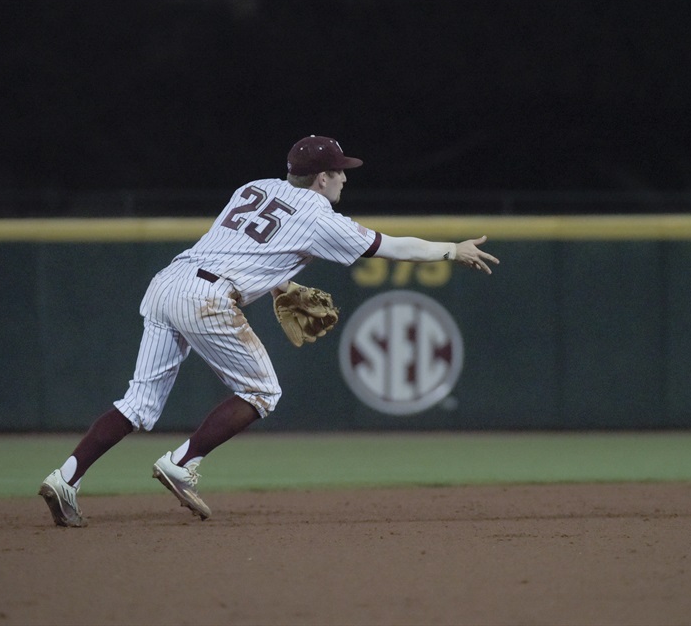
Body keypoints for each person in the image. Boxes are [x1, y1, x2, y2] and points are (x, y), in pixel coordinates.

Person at [39, 135, 500, 527]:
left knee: (138, 402)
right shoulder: (320, 216)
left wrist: (281, 283)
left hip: (168, 283)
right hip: (208, 298)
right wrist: (450, 250)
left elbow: (247, 244)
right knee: (263, 392)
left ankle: (66, 478)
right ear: (321, 179)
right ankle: (181, 462)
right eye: (339, 171)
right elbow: (392, 245)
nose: (344, 177)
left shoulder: (254, 187)